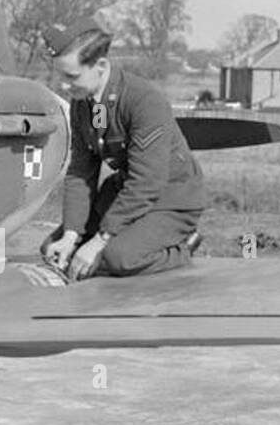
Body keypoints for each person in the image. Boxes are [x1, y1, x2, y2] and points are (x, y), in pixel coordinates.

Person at [40, 16, 204, 280]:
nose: (63, 86)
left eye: (71, 76)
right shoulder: (85, 104)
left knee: (118, 258)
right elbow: (82, 171)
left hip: (170, 200)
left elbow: (147, 182)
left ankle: (184, 246)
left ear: (101, 65)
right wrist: (71, 235)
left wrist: (100, 239)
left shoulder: (144, 101)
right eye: (60, 75)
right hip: (123, 195)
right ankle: (111, 238)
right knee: (53, 249)